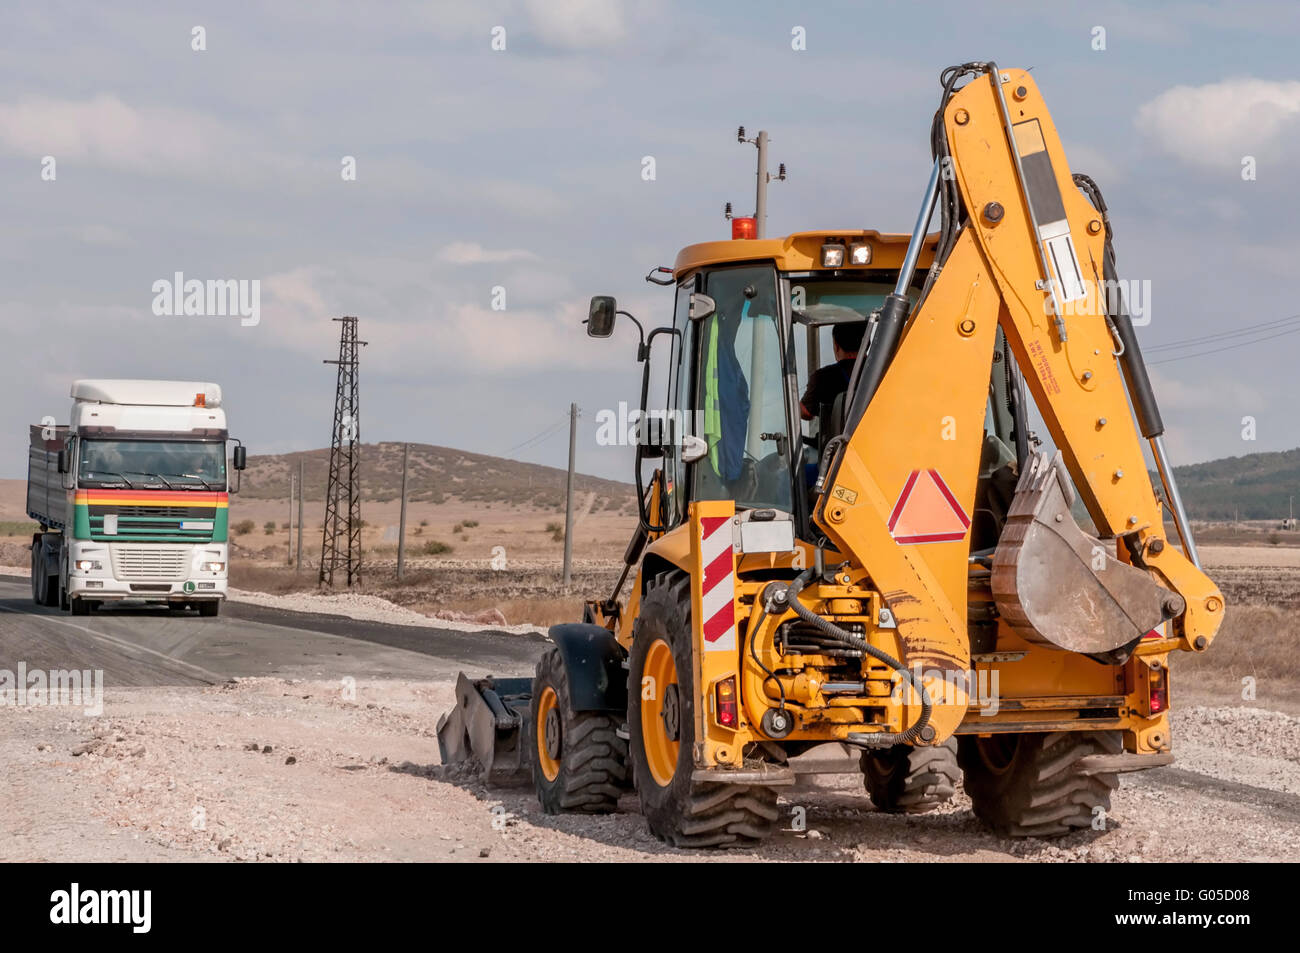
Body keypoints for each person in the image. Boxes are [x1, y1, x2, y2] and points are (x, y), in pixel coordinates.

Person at [800, 320, 867, 421]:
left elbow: (806, 413)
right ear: (867, 343)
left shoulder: (822, 378)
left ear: (836, 346)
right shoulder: (882, 371)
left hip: (842, 432)